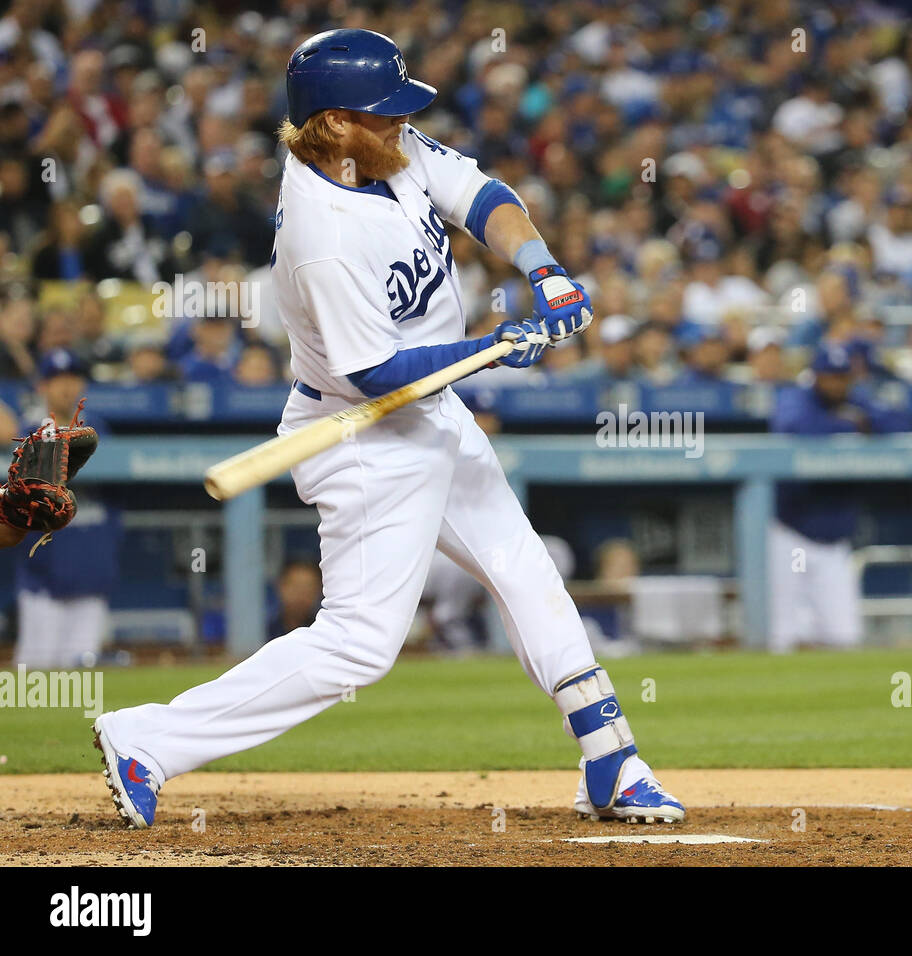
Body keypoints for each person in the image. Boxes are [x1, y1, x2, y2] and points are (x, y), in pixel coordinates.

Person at [91, 29, 683, 830]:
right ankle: (148, 738)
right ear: (334, 124)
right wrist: (492, 347)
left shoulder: (382, 153)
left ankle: (611, 756)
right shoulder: (320, 234)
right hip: (362, 433)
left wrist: (541, 270)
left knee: (520, 562)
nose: (402, 125)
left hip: (431, 411)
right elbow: (376, 374)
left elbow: (483, 197)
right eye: (385, 114)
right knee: (358, 645)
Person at [766, 343, 911, 652]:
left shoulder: (856, 401)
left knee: (844, 638)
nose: (836, 383)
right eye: (830, 377)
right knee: (781, 638)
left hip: (835, 543)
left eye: (842, 377)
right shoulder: (796, 399)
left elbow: (901, 422)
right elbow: (796, 427)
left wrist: (861, 421)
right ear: (816, 376)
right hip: (791, 535)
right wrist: (851, 425)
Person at [10, 350, 117, 666]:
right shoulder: (27, 430)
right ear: (42, 386)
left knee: (82, 679)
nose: (66, 387)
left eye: (72, 379)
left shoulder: (99, 429)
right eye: (57, 380)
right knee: (34, 681)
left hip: (91, 576)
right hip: (43, 582)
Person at [265, 560, 322, 643]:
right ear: (280, 586)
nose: (301, 595)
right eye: (295, 588)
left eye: (308, 589)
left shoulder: (321, 632)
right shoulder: (264, 630)